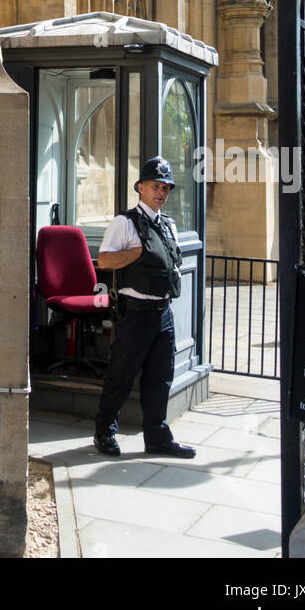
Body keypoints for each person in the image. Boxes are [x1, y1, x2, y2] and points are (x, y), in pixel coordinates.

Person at [92, 156, 196, 459]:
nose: (161, 192)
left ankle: (158, 437)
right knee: (121, 376)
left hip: (163, 313)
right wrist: (136, 253)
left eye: (165, 187)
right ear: (141, 187)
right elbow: (106, 261)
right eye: (155, 186)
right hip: (135, 312)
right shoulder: (125, 223)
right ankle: (105, 431)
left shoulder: (169, 226)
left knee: (160, 378)